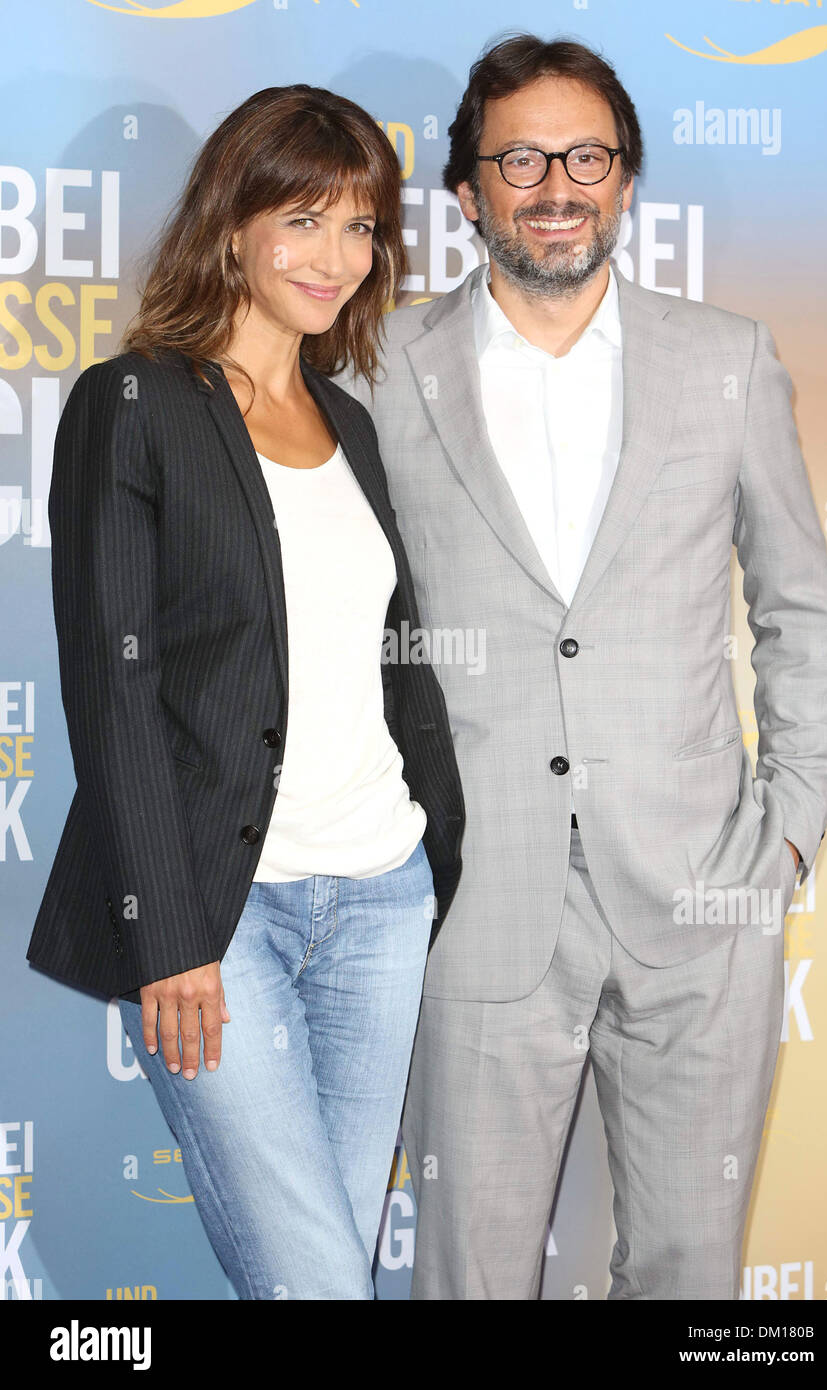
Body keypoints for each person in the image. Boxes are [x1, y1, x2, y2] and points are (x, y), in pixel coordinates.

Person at [335, 33, 827, 1299]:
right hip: (476, 900)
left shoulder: (726, 360)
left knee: (689, 1273)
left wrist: (787, 832)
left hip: (702, 897)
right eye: (520, 157)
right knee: (472, 1273)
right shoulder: (383, 368)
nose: (555, 183)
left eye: (586, 155)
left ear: (626, 182)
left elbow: (800, 607)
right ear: (467, 193)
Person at [26, 84, 464, 1301]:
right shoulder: (134, 404)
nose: (339, 257)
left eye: (364, 227)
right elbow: (111, 692)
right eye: (306, 220)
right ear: (233, 223)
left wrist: (437, 851)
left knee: (321, 1273)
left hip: (381, 902)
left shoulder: (349, 424)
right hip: (225, 914)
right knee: (321, 1280)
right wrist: (168, 935)